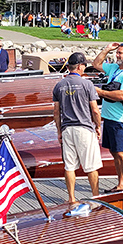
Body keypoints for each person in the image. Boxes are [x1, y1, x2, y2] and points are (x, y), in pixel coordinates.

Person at [53, 51, 103, 203]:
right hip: (84, 129)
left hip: (67, 129)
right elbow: (95, 110)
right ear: (80, 67)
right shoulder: (87, 84)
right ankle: (95, 197)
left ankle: (71, 198)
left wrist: (59, 131)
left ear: (69, 67)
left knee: (69, 166)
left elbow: (56, 111)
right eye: (84, 66)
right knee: (91, 166)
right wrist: (98, 126)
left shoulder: (59, 85)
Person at [92, 42, 123, 193]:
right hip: (109, 117)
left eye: (120, 53)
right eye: (117, 52)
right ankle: (120, 184)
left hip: (122, 119)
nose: (117, 55)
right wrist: (107, 49)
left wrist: (101, 92)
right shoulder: (113, 68)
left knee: (121, 152)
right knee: (114, 151)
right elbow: (96, 63)